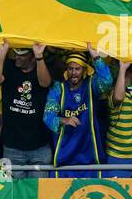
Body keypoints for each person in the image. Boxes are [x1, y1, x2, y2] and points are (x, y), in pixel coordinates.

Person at [0, 40, 53, 176]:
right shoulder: (8, 66)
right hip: (12, 147)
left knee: (38, 193)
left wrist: (39, 56)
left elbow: (45, 83)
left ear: (31, 57)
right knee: (13, 193)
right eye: (15, 54)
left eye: (21, 55)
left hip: (40, 148)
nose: (17, 57)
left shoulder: (42, 68)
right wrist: (1, 53)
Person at [44, 48, 112, 176]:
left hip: (90, 156)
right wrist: (63, 120)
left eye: (77, 69)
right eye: (70, 69)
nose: (73, 73)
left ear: (85, 70)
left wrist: (96, 57)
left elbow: (107, 81)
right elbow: (48, 117)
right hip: (65, 158)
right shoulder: (58, 88)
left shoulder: (92, 85)